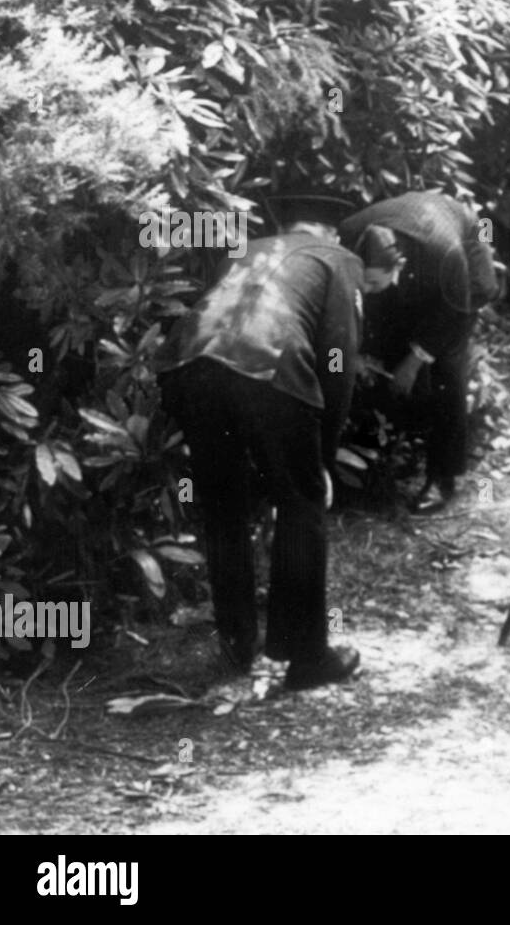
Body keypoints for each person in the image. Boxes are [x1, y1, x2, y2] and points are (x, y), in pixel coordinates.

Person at [156, 222, 363, 690]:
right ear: (329, 235)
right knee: (301, 502)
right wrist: (322, 459)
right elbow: (338, 360)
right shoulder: (339, 259)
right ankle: (307, 657)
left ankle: (237, 642)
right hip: (269, 362)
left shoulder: (248, 249)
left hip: (188, 362)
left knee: (222, 504)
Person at [339, 191, 499, 513]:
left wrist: (414, 362)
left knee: (447, 373)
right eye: (363, 282)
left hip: (462, 239)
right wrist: (353, 352)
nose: (365, 290)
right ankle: (382, 443)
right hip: (414, 243)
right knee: (383, 345)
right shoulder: (346, 233)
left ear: (397, 265)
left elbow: (452, 315)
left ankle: (442, 477)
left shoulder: (447, 255)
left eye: (371, 282)